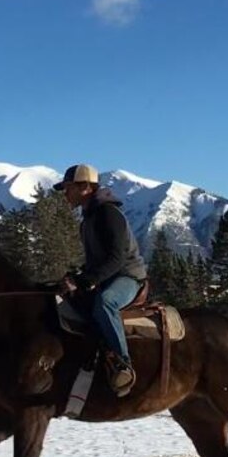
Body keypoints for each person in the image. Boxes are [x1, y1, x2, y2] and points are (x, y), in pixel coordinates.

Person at [52, 164, 147, 397]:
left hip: (128, 276)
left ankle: (123, 365)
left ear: (85, 187)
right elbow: (97, 261)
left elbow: (117, 258)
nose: (65, 194)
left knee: (106, 302)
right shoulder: (89, 218)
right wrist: (76, 277)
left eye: (68, 188)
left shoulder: (108, 214)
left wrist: (85, 281)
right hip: (107, 276)